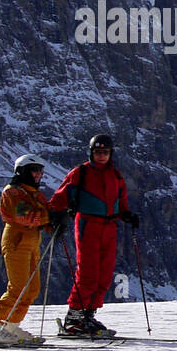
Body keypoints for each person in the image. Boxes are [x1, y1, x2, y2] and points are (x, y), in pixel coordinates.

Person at [48, 134, 138, 337]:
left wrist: (127, 215)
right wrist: (56, 214)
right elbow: (61, 195)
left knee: (104, 275)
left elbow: (121, 201)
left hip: (110, 226)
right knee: (88, 272)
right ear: (91, 152)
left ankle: (87, 314)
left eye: (105, 152)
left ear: (110, 153)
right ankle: (74, 318)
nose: (101, 156)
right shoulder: (80, 173)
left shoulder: (115, 175)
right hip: (88, 223)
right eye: (98, 152)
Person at [0, 155, 52, 345]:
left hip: (31, 242)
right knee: (18, 288)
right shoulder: (12, 192)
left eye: (40, 170)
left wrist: (54, 223)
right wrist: (49, 217)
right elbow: (24, 216)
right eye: (34, 170)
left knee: (31, 289)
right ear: (22, 171)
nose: (38, 174)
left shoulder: (34, 193)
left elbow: (42, 215)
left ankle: (11, 326)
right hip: (17, 241)